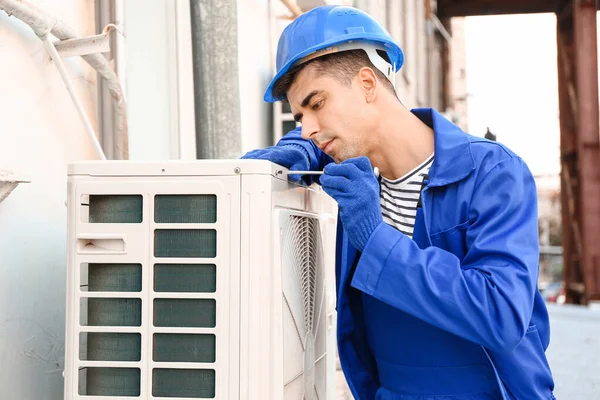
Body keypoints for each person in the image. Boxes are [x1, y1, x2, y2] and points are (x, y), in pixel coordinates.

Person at [242, 5, 555, 400]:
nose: (308, 127)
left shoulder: (491, 173)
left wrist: (376, 239)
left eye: (316, 104)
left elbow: (502, 313)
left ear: (368, 84)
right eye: (300, 116)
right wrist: (300, 149)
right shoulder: (356, 183)